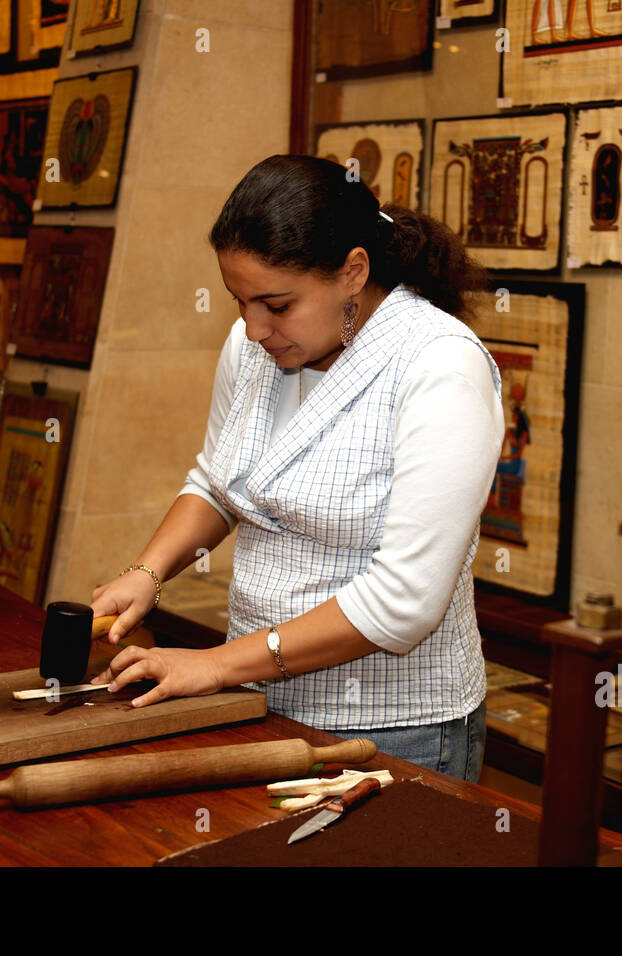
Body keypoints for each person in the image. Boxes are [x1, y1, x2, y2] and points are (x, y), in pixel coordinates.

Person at [89, 155, 504, 782]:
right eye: (239, 301)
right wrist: (149, 571)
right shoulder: (255, 345)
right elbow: (217, 484)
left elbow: (404, 602)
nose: (253, 328)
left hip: (391, 727)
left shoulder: (440, 367)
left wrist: (216, 664)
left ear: (354, 272)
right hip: (261, 696)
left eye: (276, 305)